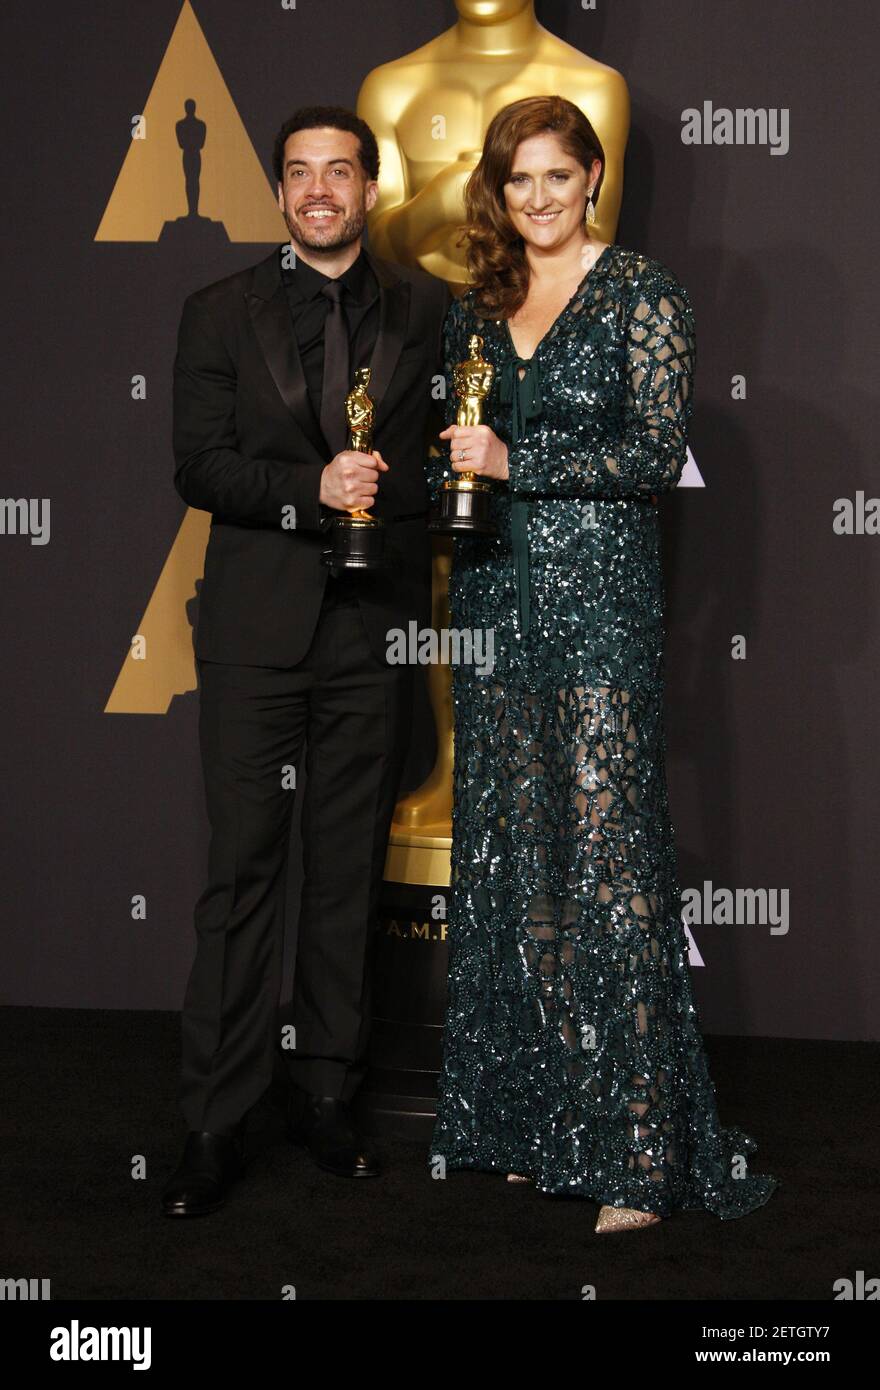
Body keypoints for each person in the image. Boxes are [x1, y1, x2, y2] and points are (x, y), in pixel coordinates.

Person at [427, 96, 778, 1232]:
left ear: (593, 177)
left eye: (555, 177)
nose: (536, 199)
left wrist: (517, 457)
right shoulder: (475, 307)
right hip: (493, 598)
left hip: (598, 604)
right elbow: (466, 460)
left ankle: (632, 1147)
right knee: (516, 856)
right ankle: (539, 1123)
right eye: (516, 180)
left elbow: (651, 449)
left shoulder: (643, 295)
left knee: (610, 861)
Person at [163, 105, 449, 1216]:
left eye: (340, 170)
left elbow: (437, 467)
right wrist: (308, 494)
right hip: (253, 634)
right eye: (299, 173)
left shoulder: (426, 313)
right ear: (278, 192)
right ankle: (215, 1118)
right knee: (241, 875)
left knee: (343, 873)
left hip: (369, 626)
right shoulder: (217, 311)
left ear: (371, 189)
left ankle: (327, 1092)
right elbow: (199, 466)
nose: (320, 189)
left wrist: (395, 489)